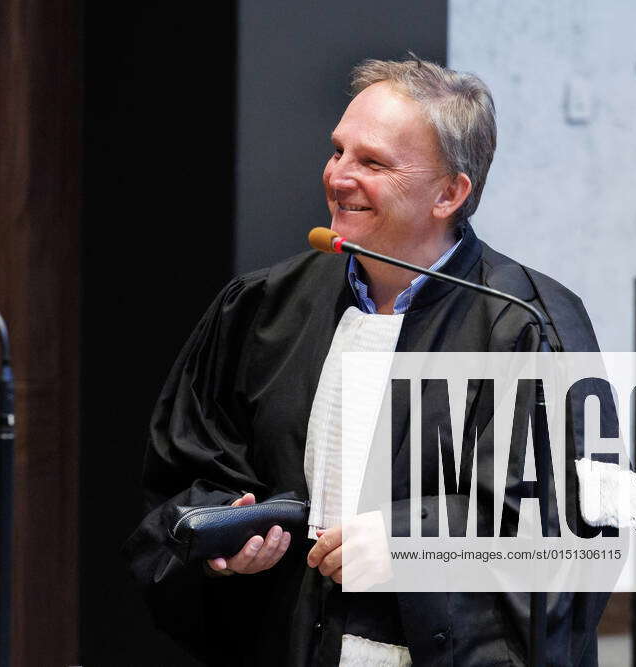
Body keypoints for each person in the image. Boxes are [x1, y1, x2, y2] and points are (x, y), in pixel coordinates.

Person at [123, 55, 609, 666]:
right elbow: (188, 470)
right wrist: (227, 534)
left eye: (372, 162)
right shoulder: (264, 308)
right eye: (338, 152)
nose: (338, 176)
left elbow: (567, 530)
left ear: (449, 193)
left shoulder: (526, 325)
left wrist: (411, 541)